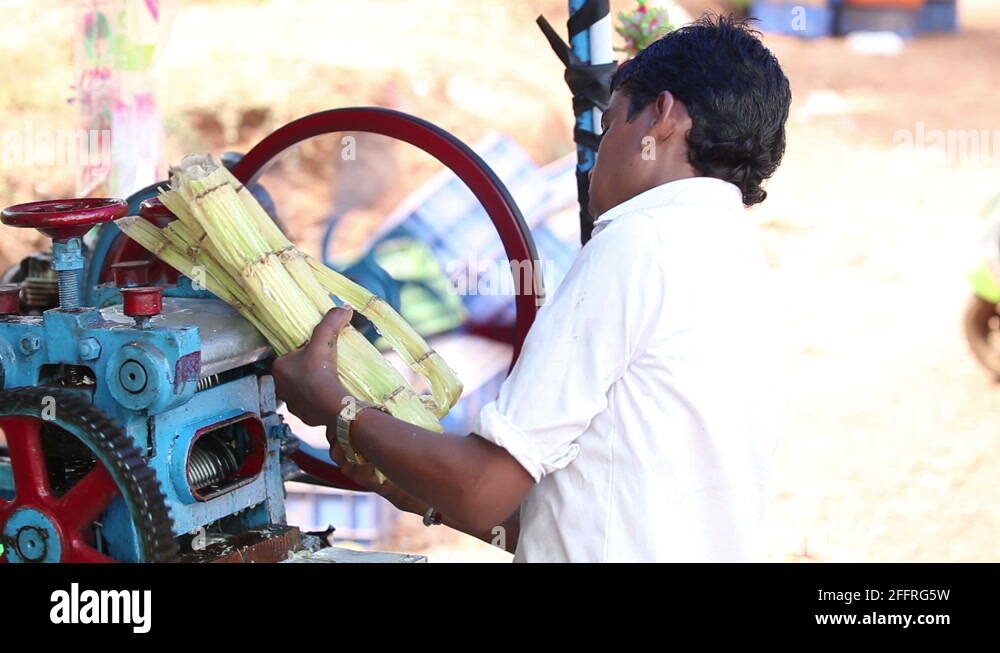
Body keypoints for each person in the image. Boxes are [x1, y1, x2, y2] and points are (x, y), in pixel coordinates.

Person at [272, 13, 791, 562]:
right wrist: (396, 479)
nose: (599, 159)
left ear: (662, 116)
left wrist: (336, 404)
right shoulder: (742, 266)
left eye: (613, 124)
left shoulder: (637, 244)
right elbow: (564, 525)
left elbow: (483, 489)